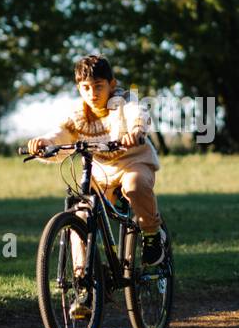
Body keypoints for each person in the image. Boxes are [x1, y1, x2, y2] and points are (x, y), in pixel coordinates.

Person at [27, 54, 166, 271]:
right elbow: (61, 133)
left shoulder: (125, 102)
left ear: (112, 84)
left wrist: (136, 131)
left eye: (99, 86)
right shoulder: (78, 115)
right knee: (80, 216)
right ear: (79, 89)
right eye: (86, 88)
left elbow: (137, 115)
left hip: (133, 162)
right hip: (100, 172)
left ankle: (151, 233)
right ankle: (84, 278)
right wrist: (45, 143)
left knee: (134, 186)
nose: (93, 93)